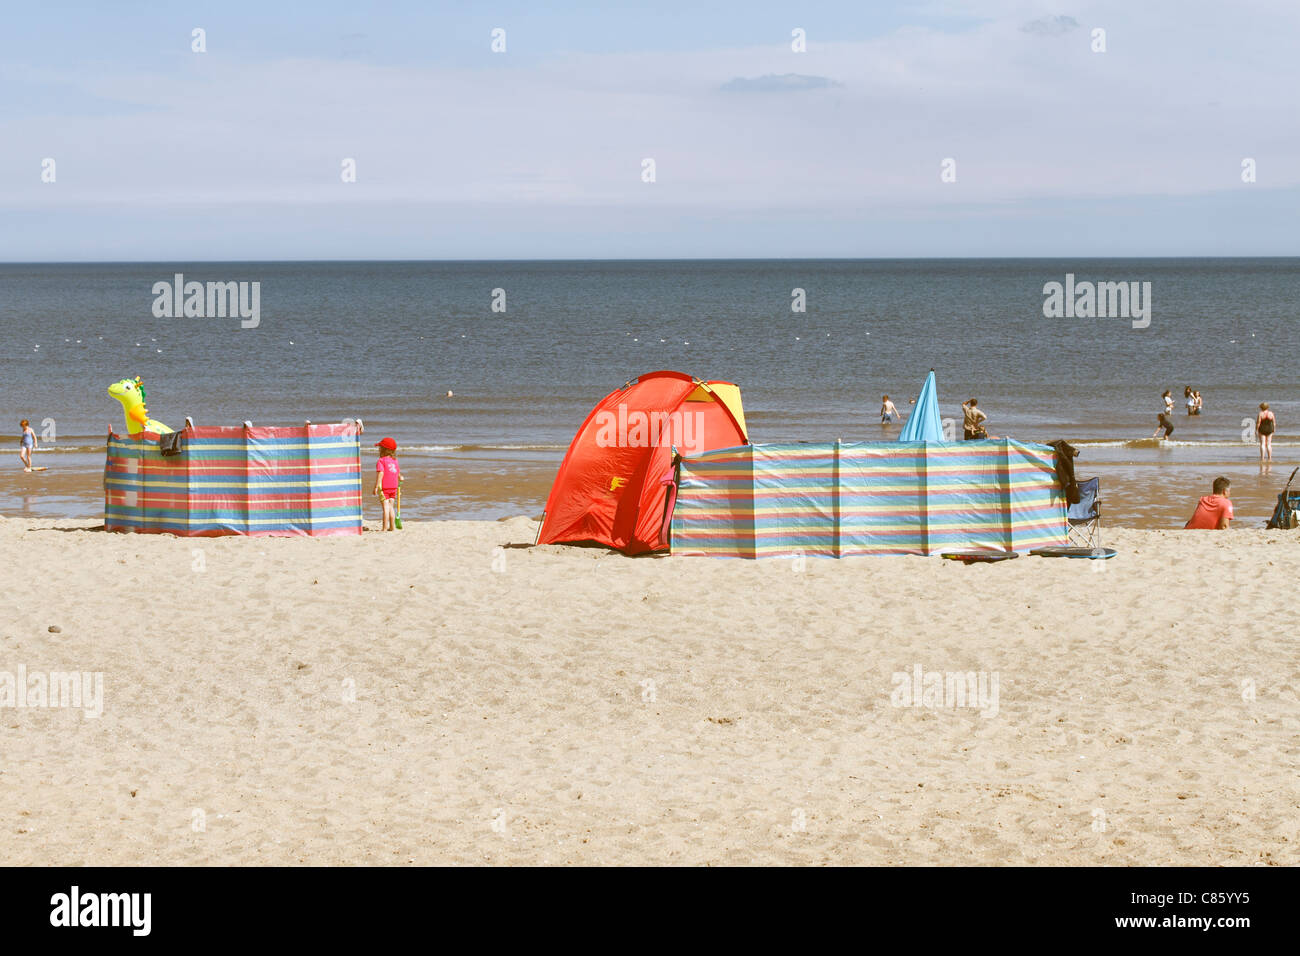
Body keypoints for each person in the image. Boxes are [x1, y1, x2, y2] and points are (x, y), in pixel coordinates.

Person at [372, 436, 401, 531]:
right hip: (394, 487)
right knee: (391, 507)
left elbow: (381, 473)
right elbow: (397, 472)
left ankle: (384, 528)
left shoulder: (381, 461)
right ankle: (392, 527)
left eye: (380, 448)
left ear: (383, 450)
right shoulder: (395, 461)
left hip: (384, 487)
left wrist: (376, 486)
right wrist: (400, 477)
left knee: (385, 508)